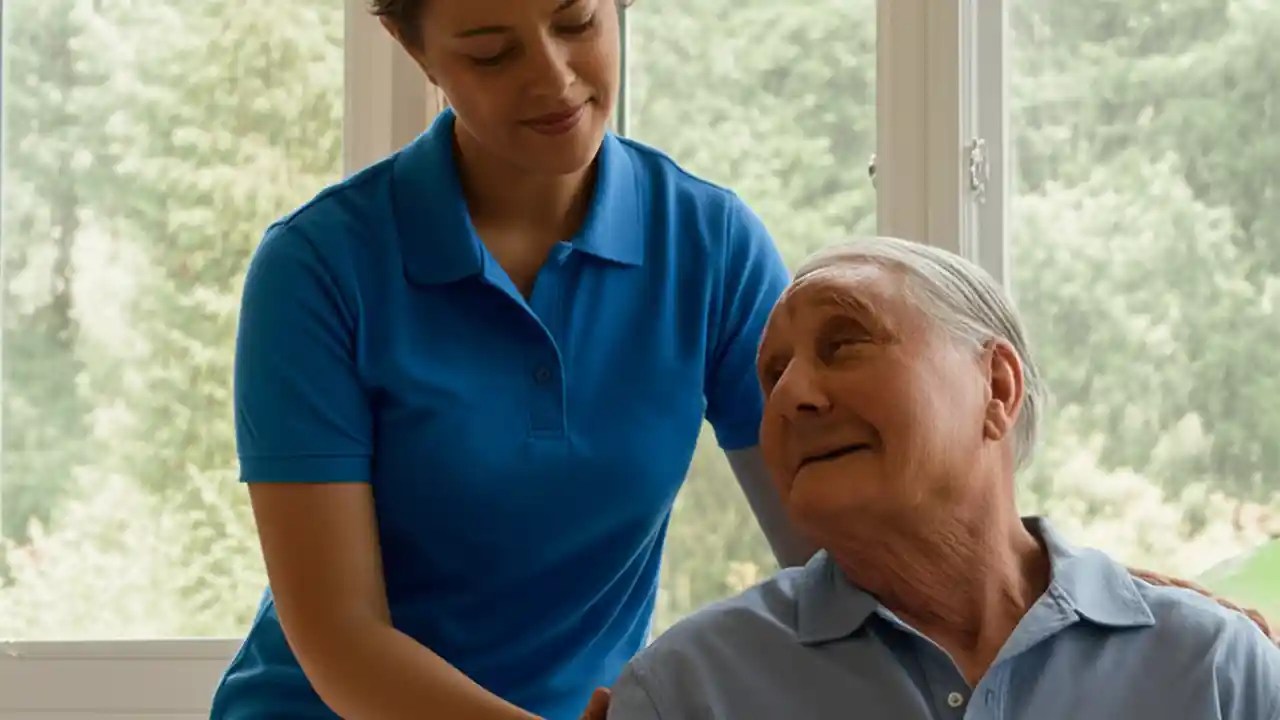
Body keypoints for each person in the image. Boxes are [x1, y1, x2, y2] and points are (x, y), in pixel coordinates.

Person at [209, 1, 813, 718]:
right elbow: (342, 638)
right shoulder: (316, 270)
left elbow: (826, 562)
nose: (553, 78)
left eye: (577, 23)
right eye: (493, 53)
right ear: (418, 53)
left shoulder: (710, 247)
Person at [604, 237, 1280, 719]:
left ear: (996, 385)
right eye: (772, 374)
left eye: (844, 343)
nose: (791, 397)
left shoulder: (1216, 668)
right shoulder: (686, 692)